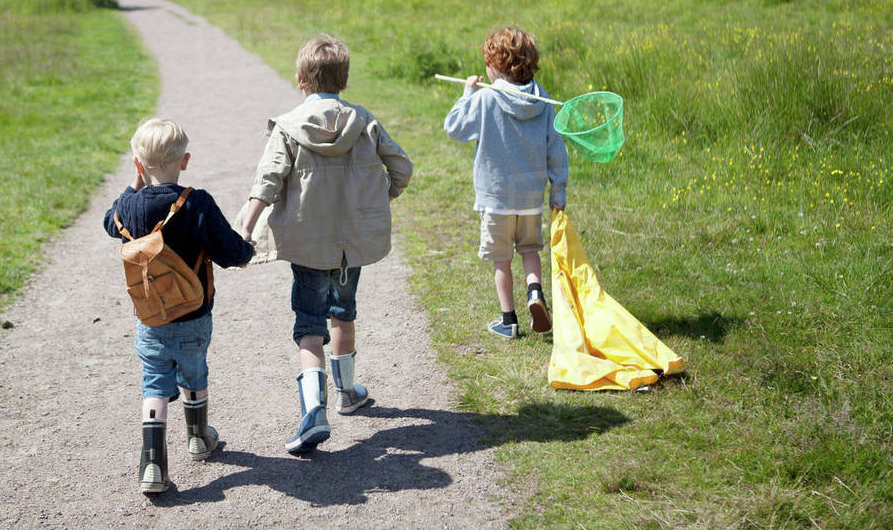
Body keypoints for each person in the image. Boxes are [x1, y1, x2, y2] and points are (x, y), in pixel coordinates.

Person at [239, 34, 413, 454]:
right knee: (343, 312)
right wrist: (379, 199)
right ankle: (347, 393)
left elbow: (267, 182)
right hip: (350, 243)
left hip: (308, 244)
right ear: (345, 79)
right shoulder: (365, 122)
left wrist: (244, 228)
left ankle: (313, 410)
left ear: (301, 80)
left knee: (308, 326)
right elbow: (402, 167)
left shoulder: (288, 127)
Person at [103, 118, 254, 494]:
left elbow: (110, 222)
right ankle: (199, 438)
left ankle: (152, 464)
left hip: (150, 317)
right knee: (194, 371)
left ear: (138, 164)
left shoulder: (128, 206)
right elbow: (230, 252)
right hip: (193, 314)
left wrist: (134, 183)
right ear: (184, 161)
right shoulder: (196, 202)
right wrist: (247, 251)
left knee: (154, 383)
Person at [443, 27, 568, 341]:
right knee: (529, 249)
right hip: (531, 197)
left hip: (495, 197)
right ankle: (535, 292)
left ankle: (508, 319)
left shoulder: (485, 98)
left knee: (502, 258)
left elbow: (454, 127)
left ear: (495, 67)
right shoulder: (542, 100)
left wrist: (468, 93)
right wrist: (559, 189)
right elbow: (556, 148)